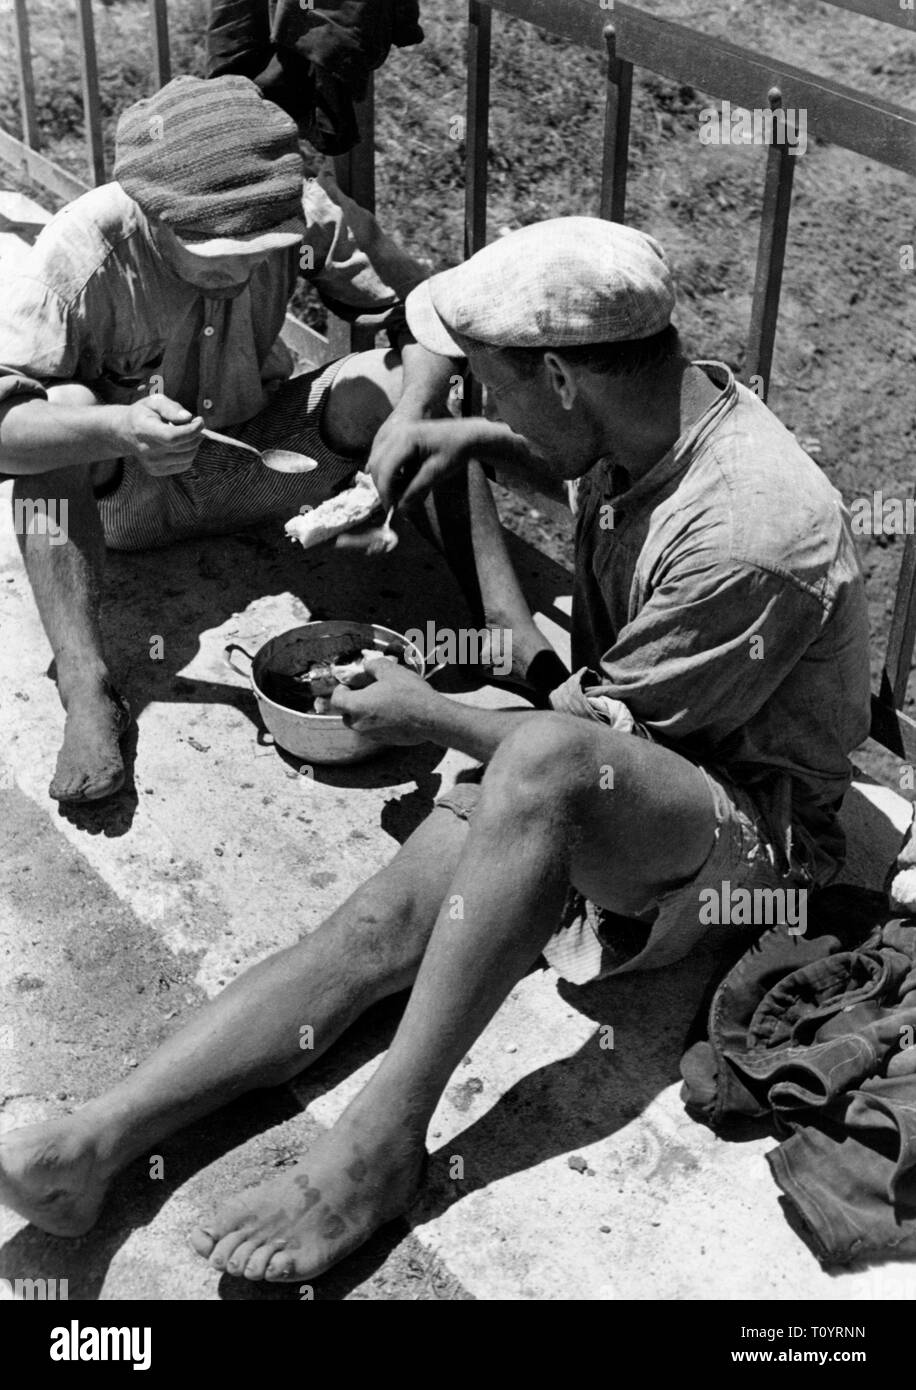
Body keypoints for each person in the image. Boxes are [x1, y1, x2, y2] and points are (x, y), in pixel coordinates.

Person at [0, 217, 871, 1284]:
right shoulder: (646, 412)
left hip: (751, 839)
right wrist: (467, 448)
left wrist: (430, 715)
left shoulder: (752, 531)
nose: (479, 402)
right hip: (612, 746)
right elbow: (592, 659)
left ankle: (379, 1149)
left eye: (490, 388)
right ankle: (95, 1142)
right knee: (375, 927)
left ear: (557, 375)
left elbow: (591, 749)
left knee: (540, 767)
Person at [0, 73, 451, 804]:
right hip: (130, 501)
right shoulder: (79, 253)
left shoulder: (295, 204)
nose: (245, 270)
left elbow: (430, 312)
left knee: (405, 385)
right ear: (153, 213)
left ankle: (499, 633)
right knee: (61, 411)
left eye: (262, 249)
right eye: (218, 254)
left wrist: (411, 416)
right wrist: (116, 426)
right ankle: (87, 691)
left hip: (264, 468)